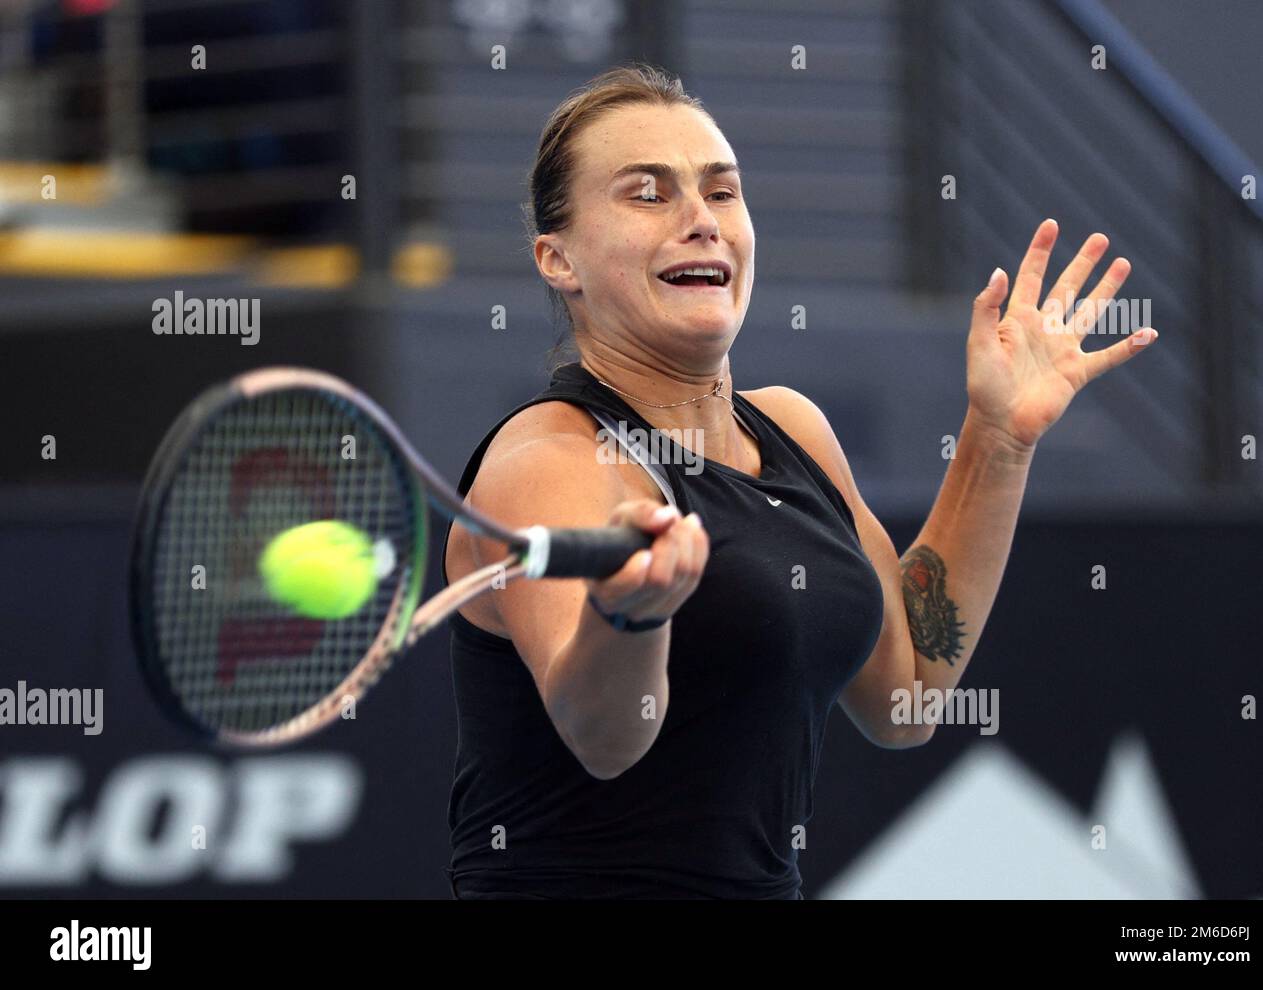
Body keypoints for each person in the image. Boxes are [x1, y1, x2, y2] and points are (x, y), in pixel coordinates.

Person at [439, 63, 1157, 899]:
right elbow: (603, 737)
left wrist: (996, 439)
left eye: (722, 191)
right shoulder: (551, 465)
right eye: (648, 194)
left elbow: (911, 695)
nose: (701, 221)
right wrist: (625, 619)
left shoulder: (792, 429)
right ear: (556, 258)